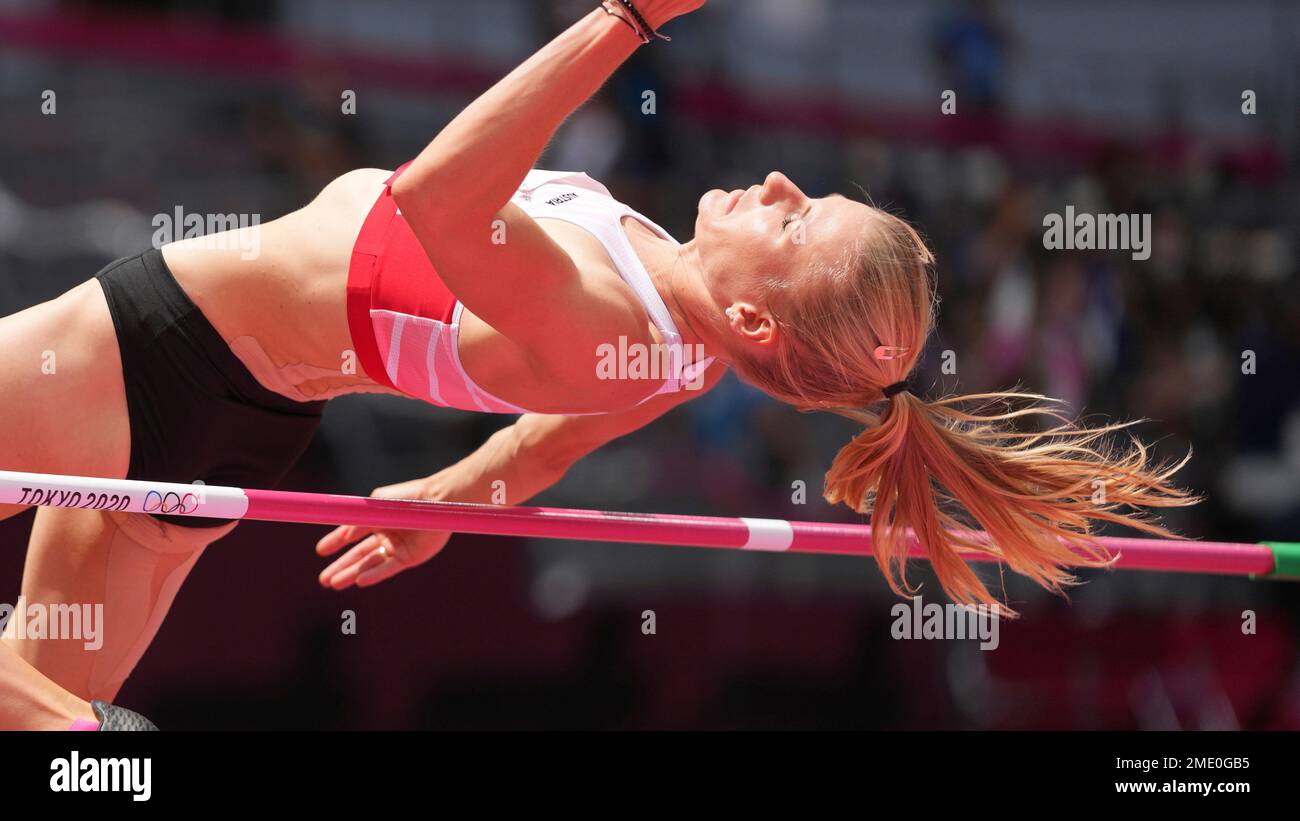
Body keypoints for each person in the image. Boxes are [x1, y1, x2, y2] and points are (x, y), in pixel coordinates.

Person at [0, 0, 1191, 729]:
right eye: (806, 192)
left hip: (145, 352)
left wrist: (620, 19)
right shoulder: (670, 357)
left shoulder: (599, 318)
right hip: (239, 423)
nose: (778, 184)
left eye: (791, 222)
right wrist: (451, 502)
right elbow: (540, 446)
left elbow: (434, 198)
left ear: (755, 320)